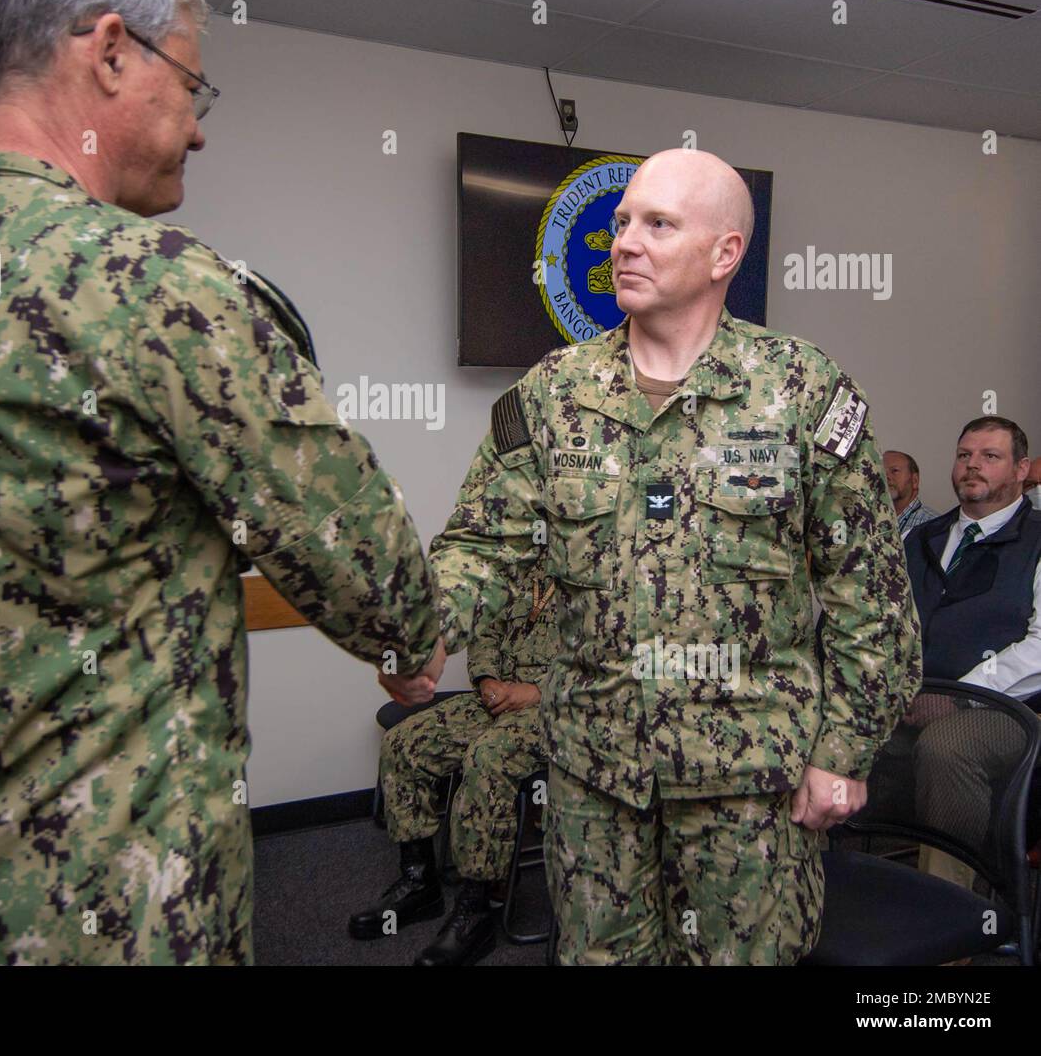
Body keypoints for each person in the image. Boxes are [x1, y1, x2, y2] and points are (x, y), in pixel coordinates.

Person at [0, 0, 444, 966]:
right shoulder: (160, 286)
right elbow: (376, 579)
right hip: (124, 914)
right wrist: (412, 652)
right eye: (190, 86)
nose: (196, 125)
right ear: (108, 52)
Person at [430, 148, 920, 965]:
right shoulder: (553, 395)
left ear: (725, 253)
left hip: (751, 791)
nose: (624, 241)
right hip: (595, 784)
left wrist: (842, 753)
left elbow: (868, 596)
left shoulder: (799, 389)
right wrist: (421, 627)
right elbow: (484, 545)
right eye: (622, 222)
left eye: (658, 223)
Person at [349, 569, 557, 965]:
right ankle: (419, 881)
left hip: (551, 709)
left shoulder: (592, 566)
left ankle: (476, 908)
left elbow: (604, 658)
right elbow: (485, 633)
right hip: (497, 697)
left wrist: (535, 692)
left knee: (487, 757)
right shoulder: (515, 567)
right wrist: (487, 679)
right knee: (404, 743)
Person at [899, 418, 1041, 887]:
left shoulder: (1037, 540)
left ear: (1021, 469)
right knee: (816, 724)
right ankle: (827, 901)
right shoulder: (921, 538)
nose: (972, 466)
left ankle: (947, 919)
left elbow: (1040, 647)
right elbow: (888, 624)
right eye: (964, 455)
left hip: (1008, 707)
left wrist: (960, 694)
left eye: (990, 456)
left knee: (948, 747)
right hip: (914, 693)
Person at [884, 449, 939, 538]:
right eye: (880, 471)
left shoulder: (934, 525)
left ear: (915, 480)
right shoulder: (869, 520)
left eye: (894, 471)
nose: (886, 477)